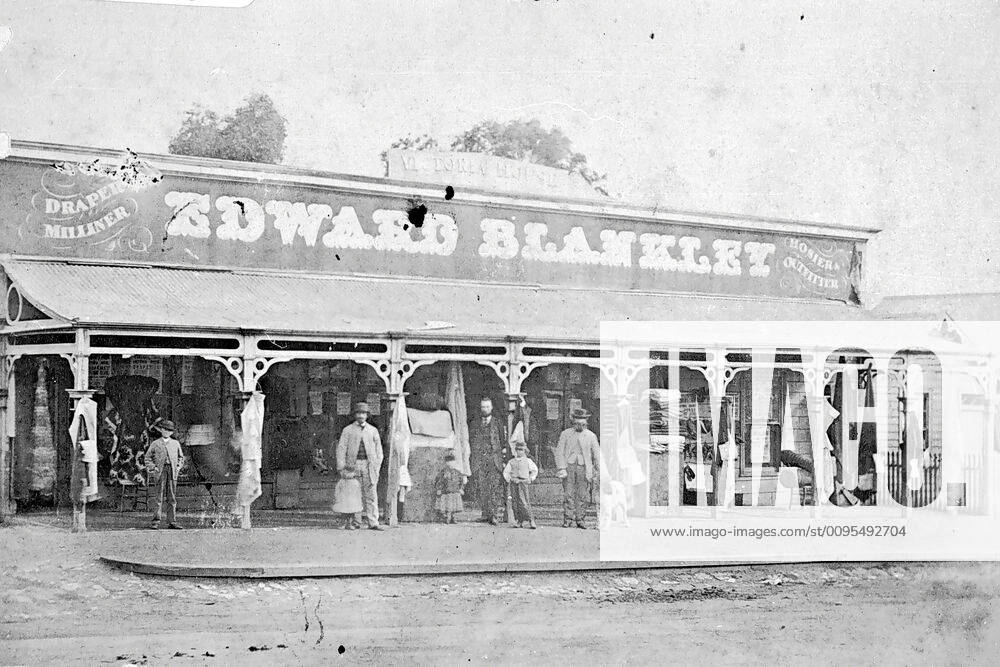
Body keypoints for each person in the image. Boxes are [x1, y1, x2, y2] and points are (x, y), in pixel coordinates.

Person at [336, 402, 384, 530]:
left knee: (371, 493)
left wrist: (377, 464)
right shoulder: (347, 430)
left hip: (369, 465)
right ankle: (356, 522)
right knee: (354, 493)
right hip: (353, 465)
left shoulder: (373, 430)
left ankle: (373, 522)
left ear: (367, 415)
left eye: (363, 413)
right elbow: (341, 449)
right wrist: (341, 467)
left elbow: (379, 450)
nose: (361, 416)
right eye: (358, 413)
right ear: (355, 415)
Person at [554, 408, 600, 529]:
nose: (580, 426)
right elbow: (559, 451)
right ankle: (568, 518)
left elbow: (596, 454)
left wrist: (598, 469)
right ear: (573, 422)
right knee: (568, 493)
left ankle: (580, 519)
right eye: (577, 423)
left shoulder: (591, 436)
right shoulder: (565, 434)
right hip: (569, 466)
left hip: (584, 467)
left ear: (586, 422)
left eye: (582, 423)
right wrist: (561, 467)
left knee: (582, 494)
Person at [468, 397, 509, 525]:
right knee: (483, 487)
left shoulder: (497, 423)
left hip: (494, 460)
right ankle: (485, 514)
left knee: (494, 488)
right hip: (480, 460)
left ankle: (495, 515)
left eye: (487, 407)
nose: (485, 409)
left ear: (491, 408)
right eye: (483, 407)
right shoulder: (475, 423)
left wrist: (502, 458)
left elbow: (502, 441)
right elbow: (472, 440)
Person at [145, 419, 185, 530]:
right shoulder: (155, 443)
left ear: (172, 432)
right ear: (161, 430)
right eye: (164, 429)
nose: (166, 432)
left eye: (169, 430)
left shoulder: (175, 443)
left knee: (172, 497)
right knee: (158, 497)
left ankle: (172, 521)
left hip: (172, 471)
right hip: (160, 471)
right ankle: (156, 521)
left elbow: (181, 458)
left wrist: (177, 467)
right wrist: (154, 468)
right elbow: (147, 458)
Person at [503, 442, 538, 529]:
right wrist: (510, 479)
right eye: (517, 449)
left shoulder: (528, 461)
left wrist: (530, 478)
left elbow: (534, 470)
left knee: (524, 502)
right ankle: (519, 520)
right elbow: (506, 472)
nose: (519, 452)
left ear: (524, 451)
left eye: (521, 450)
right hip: (514, 483)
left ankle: (531, 520)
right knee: (515, 502)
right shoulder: (511, 462)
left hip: (523, 483)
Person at [434, 451, 465, 524]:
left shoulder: (458, 472)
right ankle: (447, 517)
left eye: (452, 462)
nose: (450, 464)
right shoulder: (443, 472)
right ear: (446, 463)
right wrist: (439, 489)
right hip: (446, 492)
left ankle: (453, 517)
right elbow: (439, 481)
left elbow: (461, 481)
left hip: (455, 492)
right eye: (448, 462)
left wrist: (461, 488)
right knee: (447, 506)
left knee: (454, 506)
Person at [332, 465, 363, 529]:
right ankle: (343, 523)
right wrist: (337, 497)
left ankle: (350, 524)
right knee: (343, 512)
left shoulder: (355, 482)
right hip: (344, 499)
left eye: (350, 473)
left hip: (352, 499)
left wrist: (358, 498)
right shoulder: (341, 481)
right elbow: (337, 490)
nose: (347, 474)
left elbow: (358, 491)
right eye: (345, 472)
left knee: (352, 512)